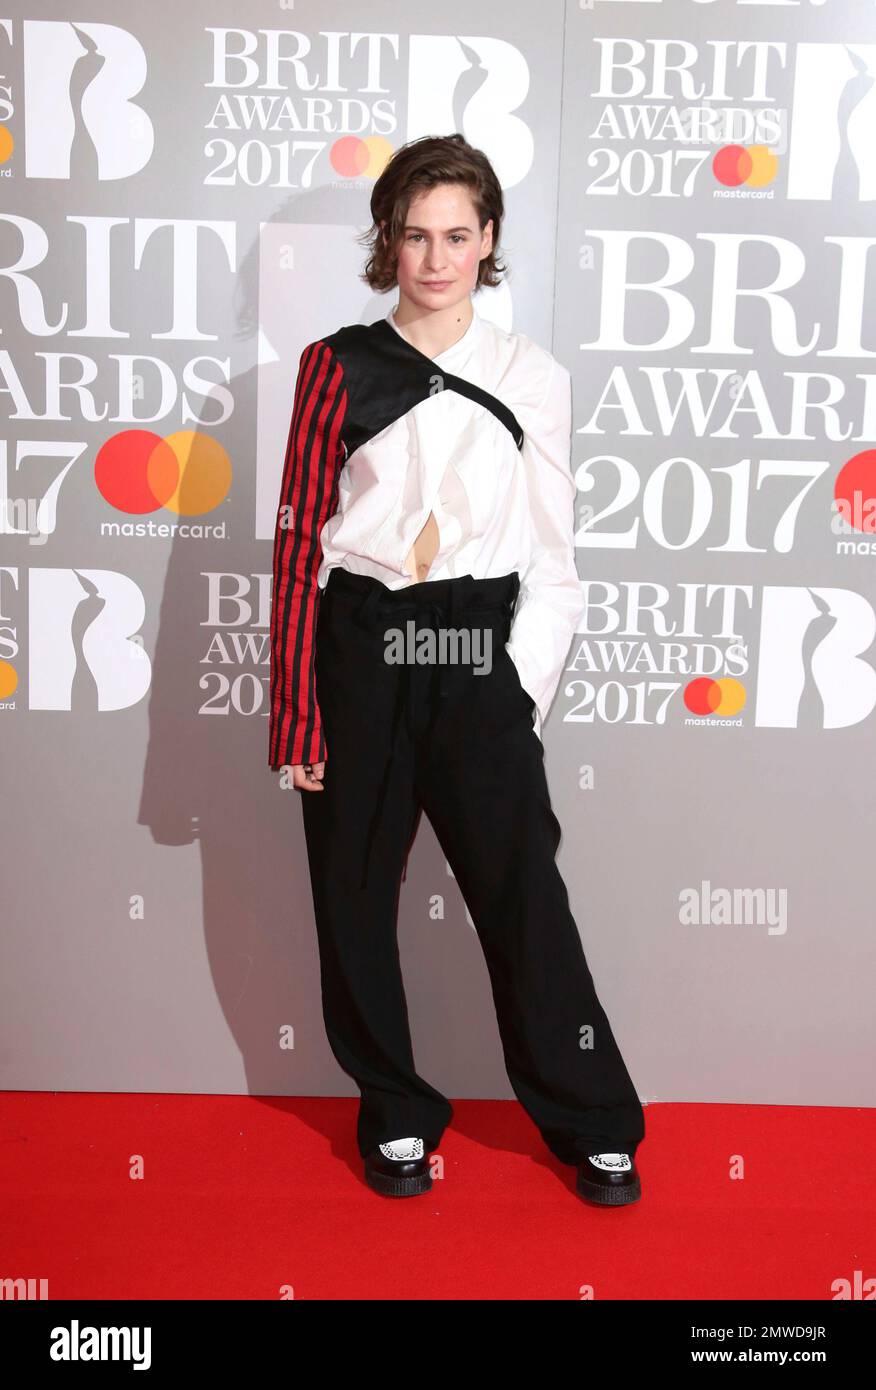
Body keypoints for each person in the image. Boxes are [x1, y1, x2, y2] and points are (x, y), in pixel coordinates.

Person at [269, 133, 645, 1206]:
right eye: (416, 234)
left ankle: (592, 1119)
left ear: (490, 244)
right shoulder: (333, 365)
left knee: (525, 899)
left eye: (458, 235)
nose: (436, 258)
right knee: (351, 900)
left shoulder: (534, 376)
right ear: (387, 241)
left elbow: (557, 559)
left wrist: (517, 691)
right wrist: (300, 717)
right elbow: (300, 546)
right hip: (359, 652)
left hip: (477, 649)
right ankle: (393, 1112)